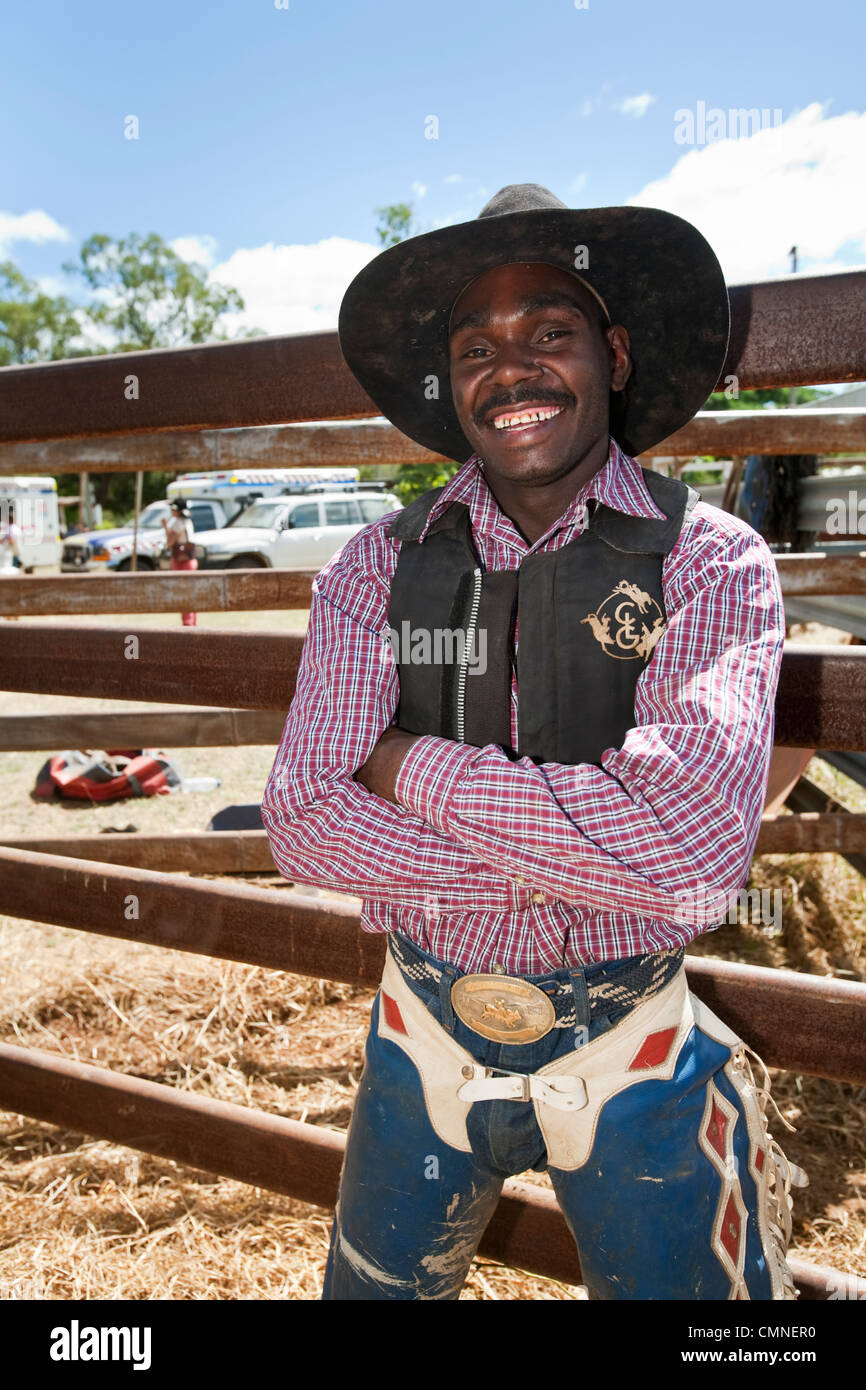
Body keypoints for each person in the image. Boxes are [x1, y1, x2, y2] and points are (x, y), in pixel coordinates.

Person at [261, 184, 805, 1301]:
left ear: (608, 352)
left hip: (627, 1037)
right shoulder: (374, 564)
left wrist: (405, 763)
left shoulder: (708, 560)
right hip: (420, 1027)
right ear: (450, 380)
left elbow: (689, 856)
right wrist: (578, 842)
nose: (510, 371)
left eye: (548, 333)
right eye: (476, 347)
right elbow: (304, 820)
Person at [162, 499, 198, 627]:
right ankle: (191, 621)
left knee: (184, 592)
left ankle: (187, 622)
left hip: (181, 561)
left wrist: (166, 530)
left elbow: (170, 541)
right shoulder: (187, 521)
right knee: (190, 591)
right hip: (190, 559)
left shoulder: (178, 523)